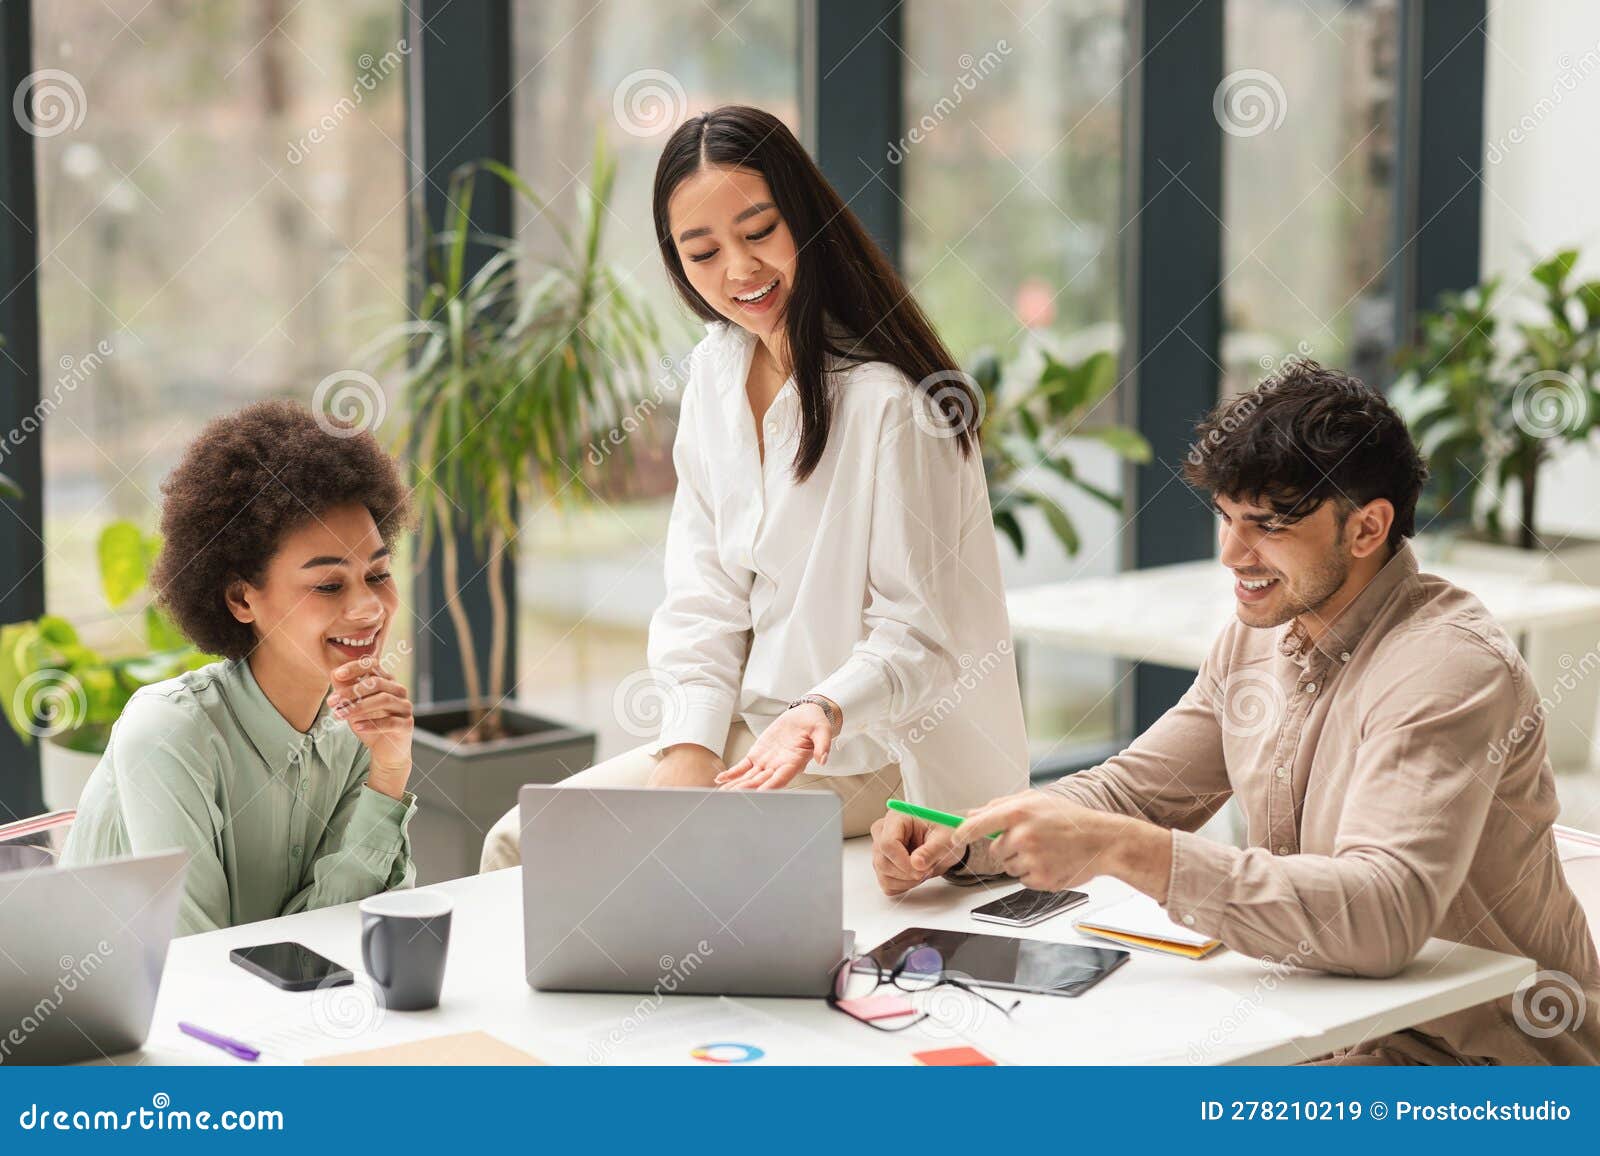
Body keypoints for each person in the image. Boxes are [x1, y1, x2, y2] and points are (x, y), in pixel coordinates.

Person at [871, 359, 1600, 1066]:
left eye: (1267, 525)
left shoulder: (1446, 667)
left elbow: (1384, 915)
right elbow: (1130, 795)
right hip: (1327, 1027)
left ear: (1367, 528)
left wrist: (1127, 850)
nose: (1231, 552)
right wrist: (964, 837)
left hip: (1478, 1063)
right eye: (1224, 517)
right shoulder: (1259, 641)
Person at [481, 105, 1027, 869]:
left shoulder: (894, 404)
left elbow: (919, 635)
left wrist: (821, 707)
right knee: (518, 843)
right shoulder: (715, 370)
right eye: (702, 251)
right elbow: (704, 591)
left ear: (806, 218)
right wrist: (689, 744)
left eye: (759, 231)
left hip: (869, 750)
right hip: (755, 735)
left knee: (604, 855)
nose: (738, 270)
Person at [62, 400, 420, 935]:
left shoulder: (358, 736)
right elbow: (199, 961)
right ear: (241, 598)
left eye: (378, 574)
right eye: (328, 585)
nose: (369, 608)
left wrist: (388, 775)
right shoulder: (170, 735)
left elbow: (341, 934)